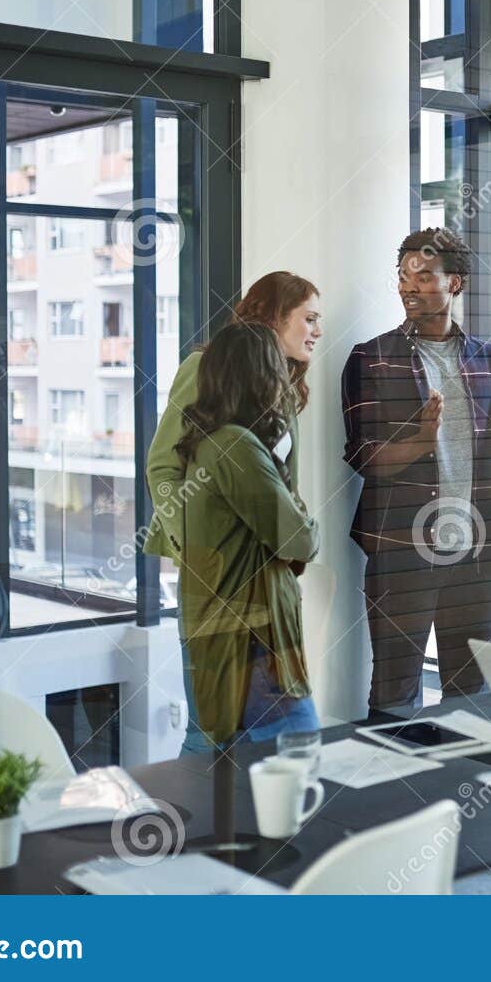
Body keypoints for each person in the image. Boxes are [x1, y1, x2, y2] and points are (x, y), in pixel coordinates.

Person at [341, 228, 491, 713]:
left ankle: (460, 787)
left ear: (456, 283)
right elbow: (363, 457)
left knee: (474, 699)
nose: (410, 286)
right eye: (404, 276)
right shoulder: (371, 359)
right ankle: (385, 788)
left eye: (424, 276)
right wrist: (419, 442)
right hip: (402, 555)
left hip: (480, 558)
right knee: (395, 694)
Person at [145, 270, 322, 753]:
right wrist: (201, 550)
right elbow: (163, 465)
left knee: (226, 733)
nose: (317, 330)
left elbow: (283, 481)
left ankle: (222, 816)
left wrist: (288, 536)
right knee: (223, 730)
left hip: (265, 571)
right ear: (274, 318)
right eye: (309, 318)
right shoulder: (206, 368)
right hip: (219, 575)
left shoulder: (279, 385)